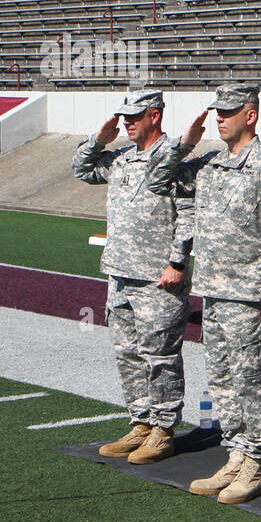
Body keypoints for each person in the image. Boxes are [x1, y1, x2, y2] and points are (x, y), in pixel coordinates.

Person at [149, 84, 261, 505]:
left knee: (253, 381)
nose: (220, 117)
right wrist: (184, 143)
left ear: (250, 115)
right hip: (215, 291)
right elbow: (157, 177)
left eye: (230, 111)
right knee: (222, 380)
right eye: (218, 110)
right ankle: (235, 453)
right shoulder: (211, 164)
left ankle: (255, 461)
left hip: (252, 297)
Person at [73, 88, 192, 464]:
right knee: (128, 354)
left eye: (134, 116)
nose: (126, 122)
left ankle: (163, 429)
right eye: (123, 116)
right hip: (121, 273)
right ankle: (140, 422)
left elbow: (189, 214)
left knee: (160, 356)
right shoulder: (121, 159)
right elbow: (81, 168)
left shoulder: (175, 159)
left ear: (155, 116)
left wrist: (176, 262)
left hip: (158, 278)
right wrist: (99, 138)